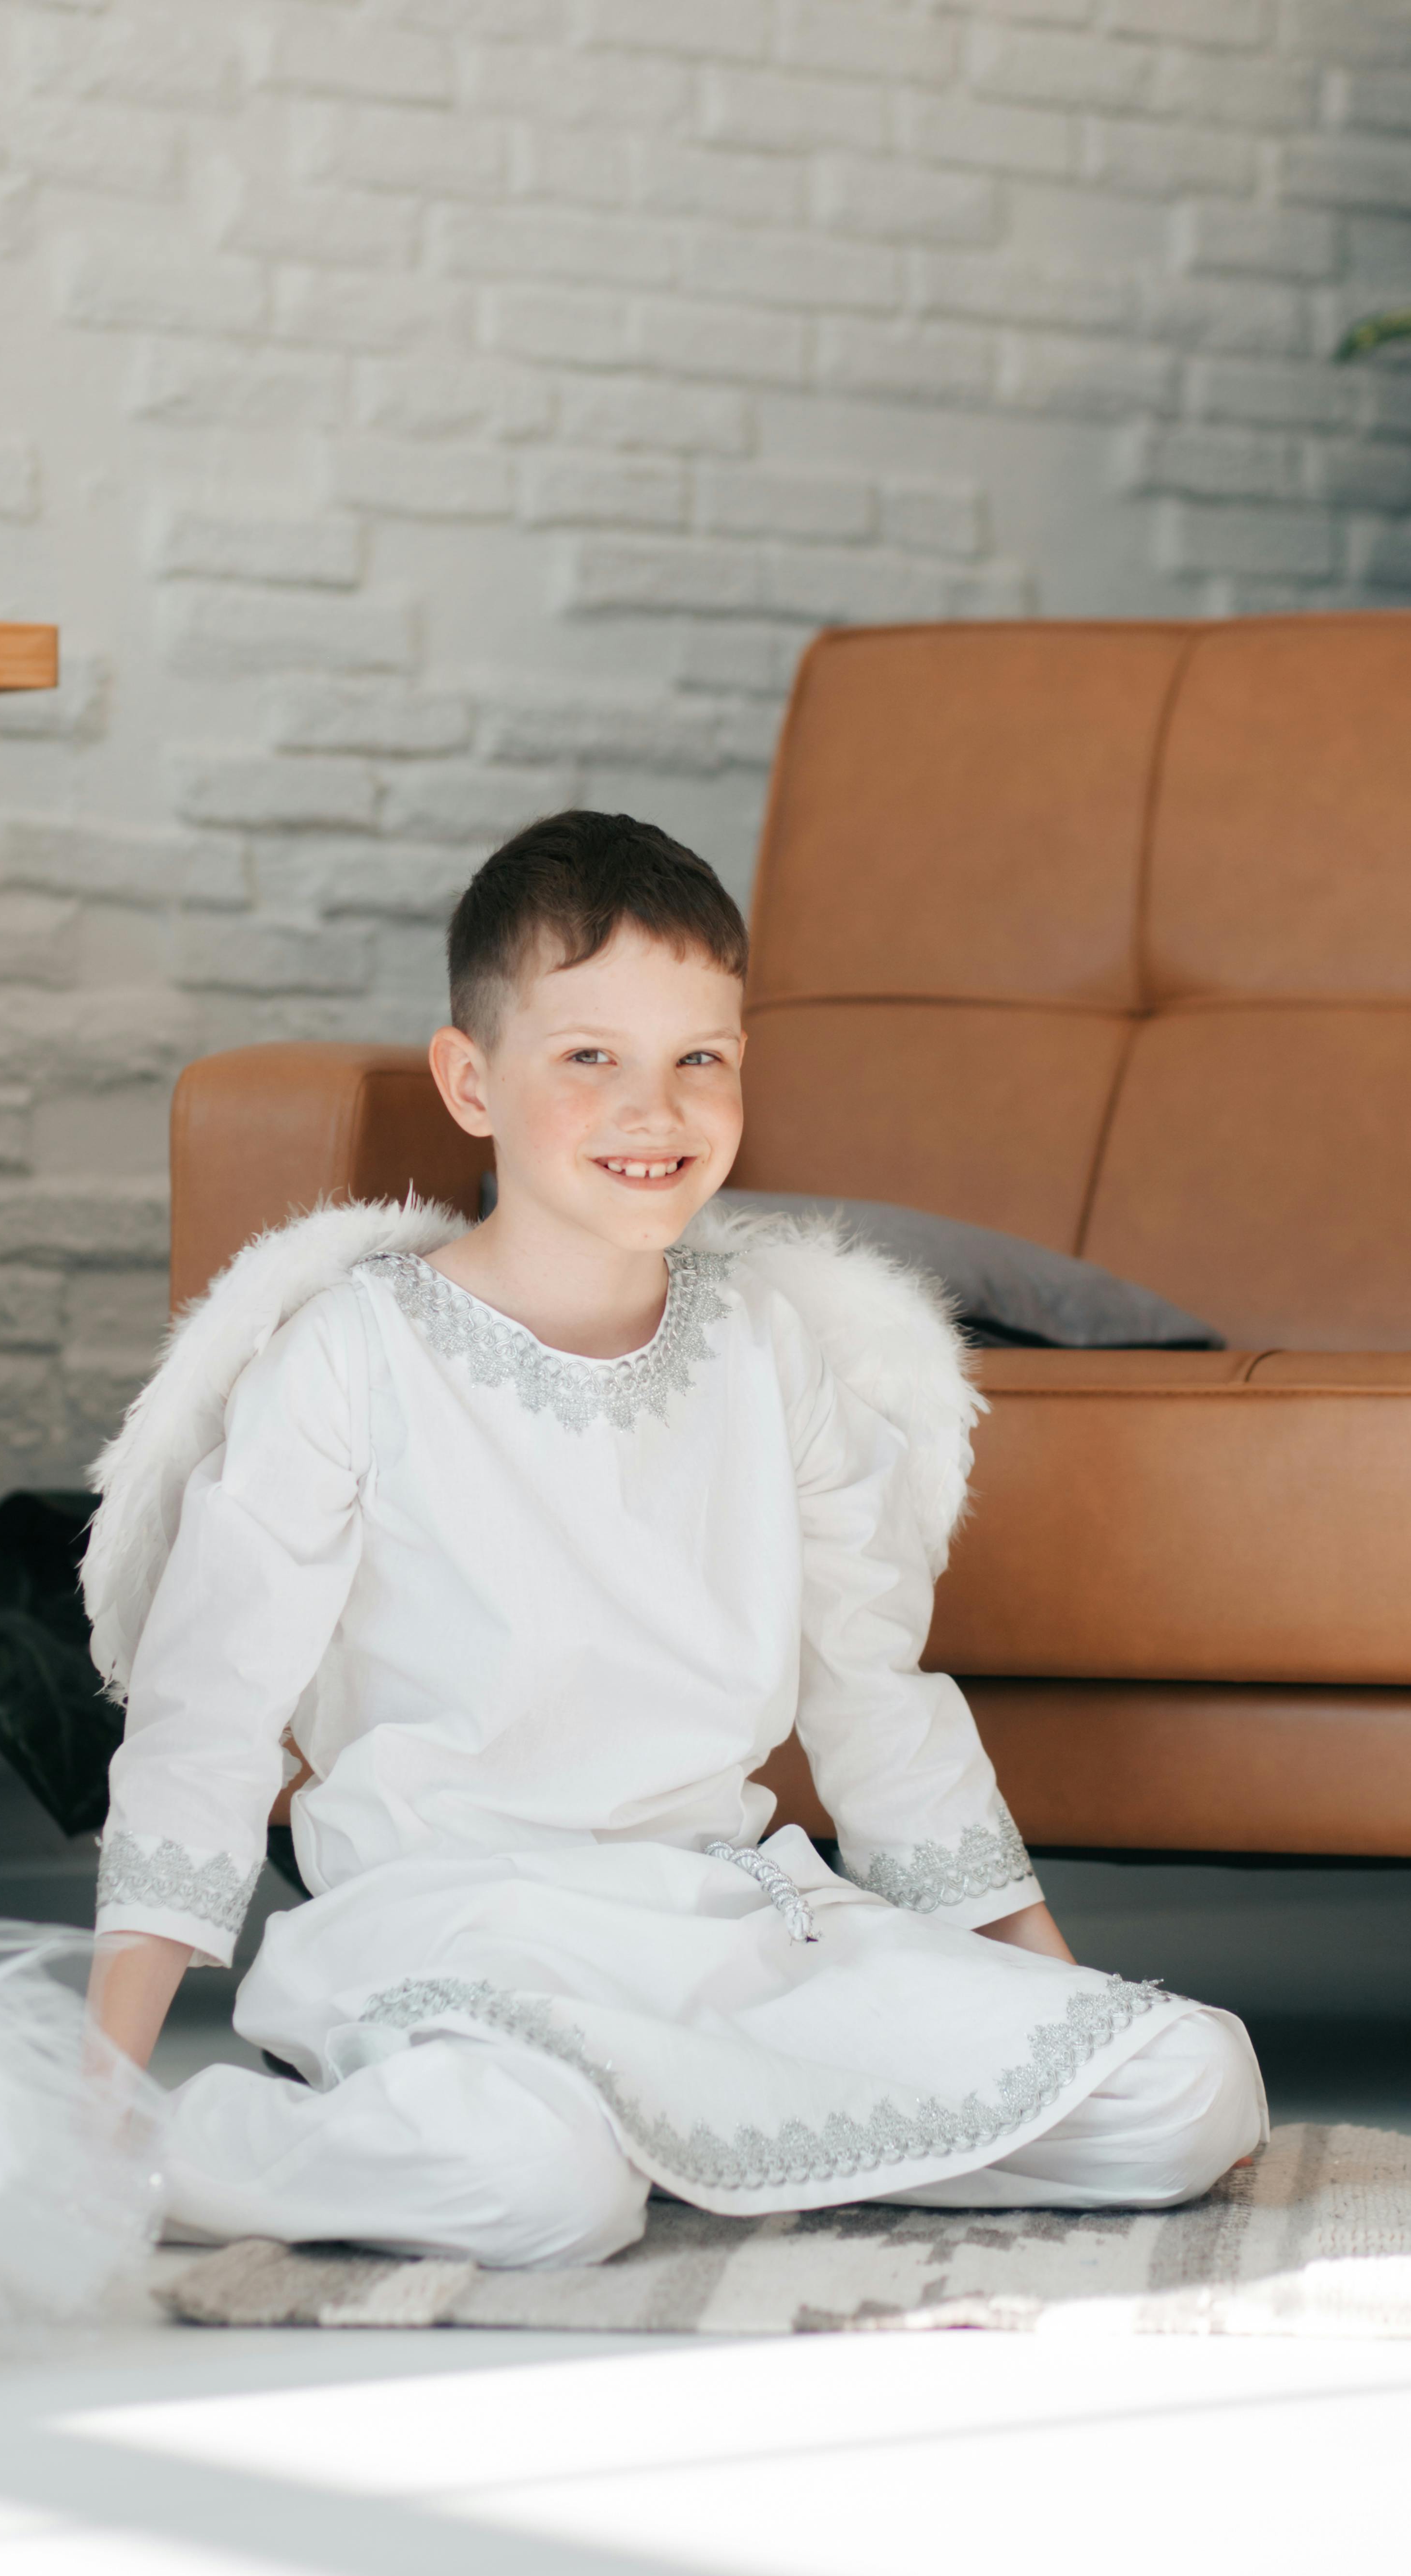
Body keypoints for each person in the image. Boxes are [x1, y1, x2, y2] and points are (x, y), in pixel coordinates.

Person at [82, 809, 1265, 2267]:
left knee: (1195, 2086)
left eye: (700, 1059)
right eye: (591, 1059)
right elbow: (209, 1721)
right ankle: (188, 2148)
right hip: (454, 1930)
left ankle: (689, 2135)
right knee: (538, 2188)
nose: (658, 1111)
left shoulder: (775, 1344)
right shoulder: (350, 1354)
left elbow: (875, 1700)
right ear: (472, 1082)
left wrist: (1059, 2023)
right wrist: (99, 2082)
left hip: (739, 1931)